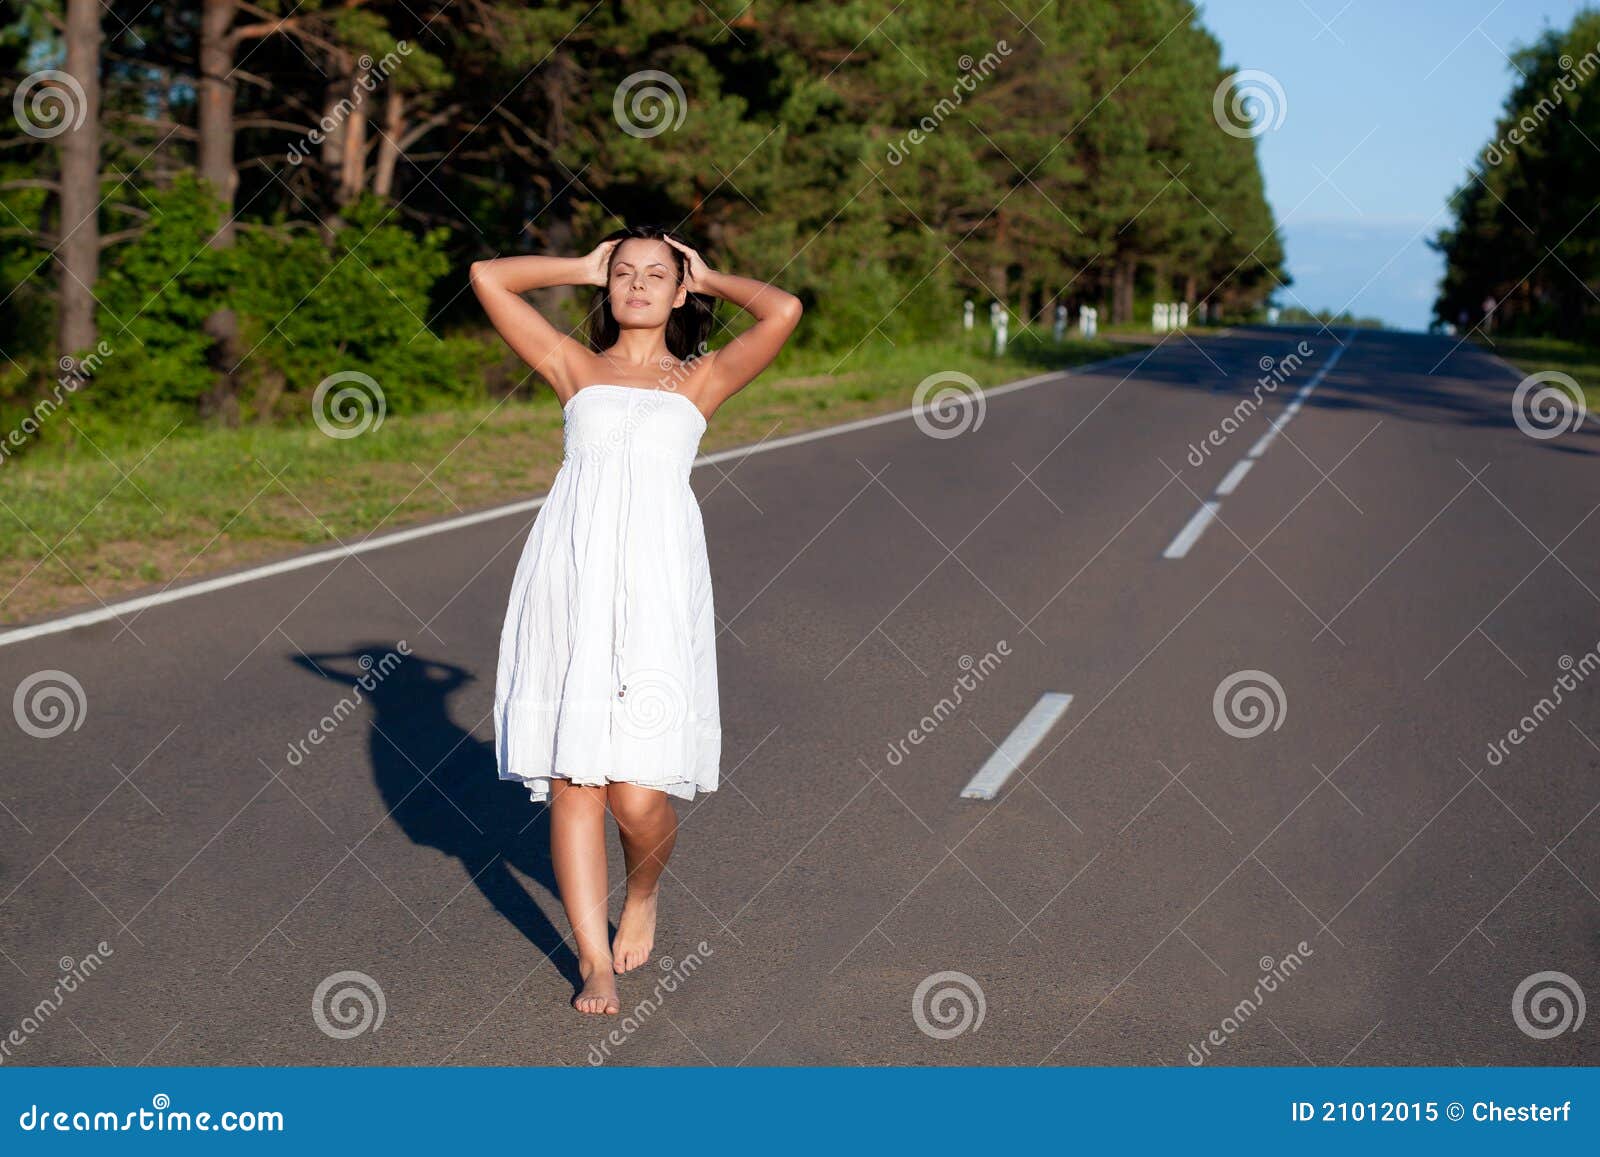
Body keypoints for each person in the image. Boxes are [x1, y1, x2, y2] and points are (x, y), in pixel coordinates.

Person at [470, 225, 802, 1015]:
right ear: (606, 286)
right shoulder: (572, 365)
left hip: (656, 588)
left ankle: (643, 889)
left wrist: (709, 275)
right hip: (570, 583)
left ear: (679, 291)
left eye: (657, 273)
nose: (639, 283)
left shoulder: (701, 377)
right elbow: (486, 275)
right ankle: (593, 961)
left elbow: (784, 309)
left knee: (637, 796)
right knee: (575, 779)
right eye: (624, 272)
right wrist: (581, 264)